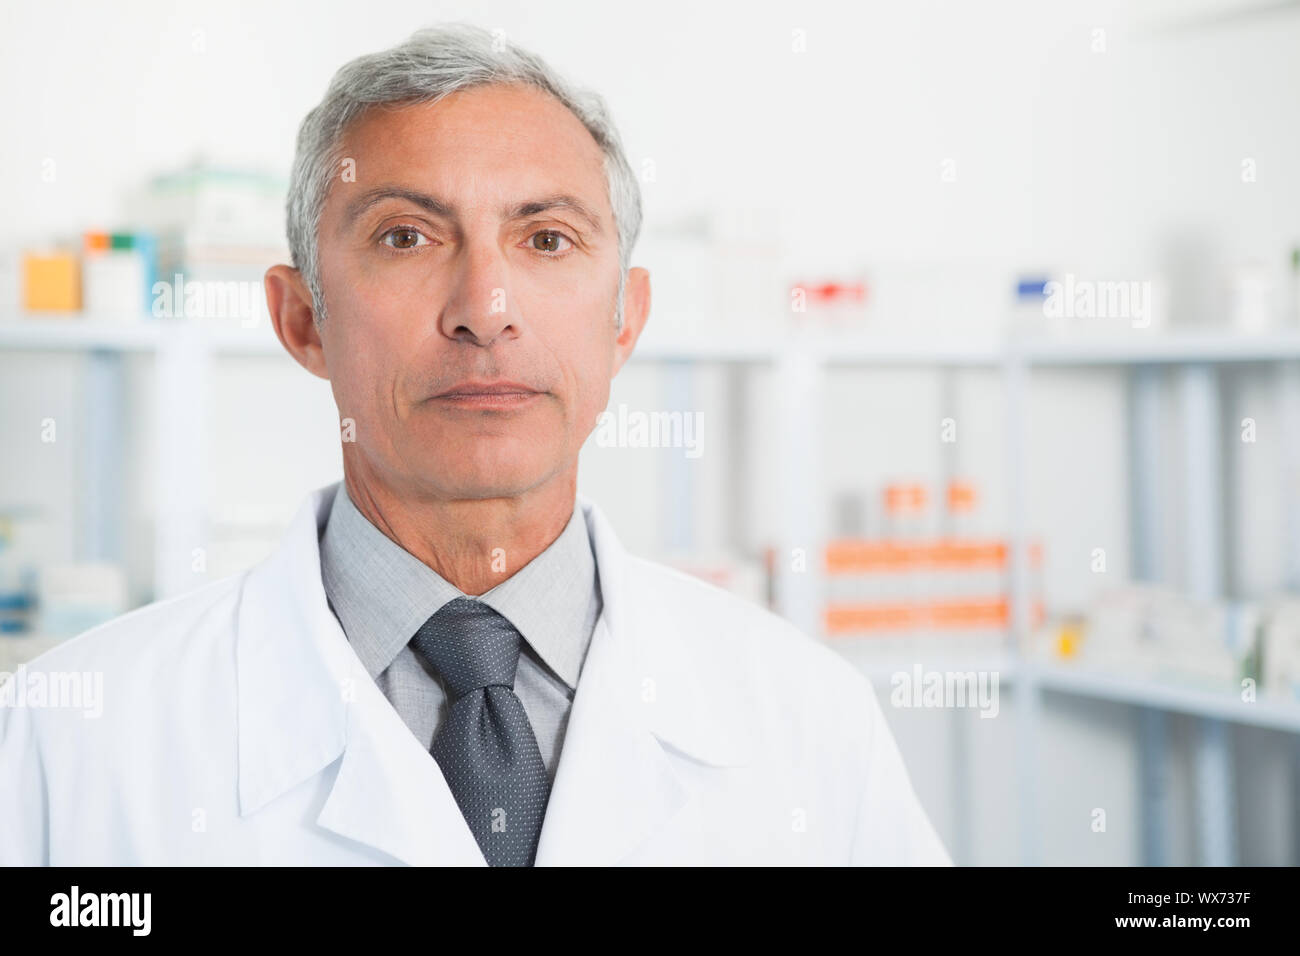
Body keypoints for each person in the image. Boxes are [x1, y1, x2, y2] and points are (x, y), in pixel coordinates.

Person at [0, 23, 951, 866]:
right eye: (408, 236)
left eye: (545, 239)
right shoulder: (73, 738)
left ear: (625, 322)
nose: (485, 312)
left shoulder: (810, 723)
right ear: (303, 321)